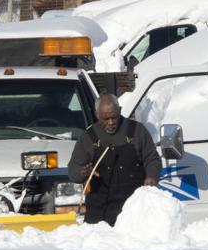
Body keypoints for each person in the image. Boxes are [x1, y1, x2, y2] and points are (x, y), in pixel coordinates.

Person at [67, 94, 161, 225]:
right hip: (100, 211)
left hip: (133, 209)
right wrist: (83, 172)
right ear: (96, 114)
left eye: (114, 117)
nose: (110, 122)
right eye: (105, 119)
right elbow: (73, 171)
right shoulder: (88, 137)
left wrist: (151, 177)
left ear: (120, 110)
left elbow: (152, 159)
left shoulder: (136, 131)